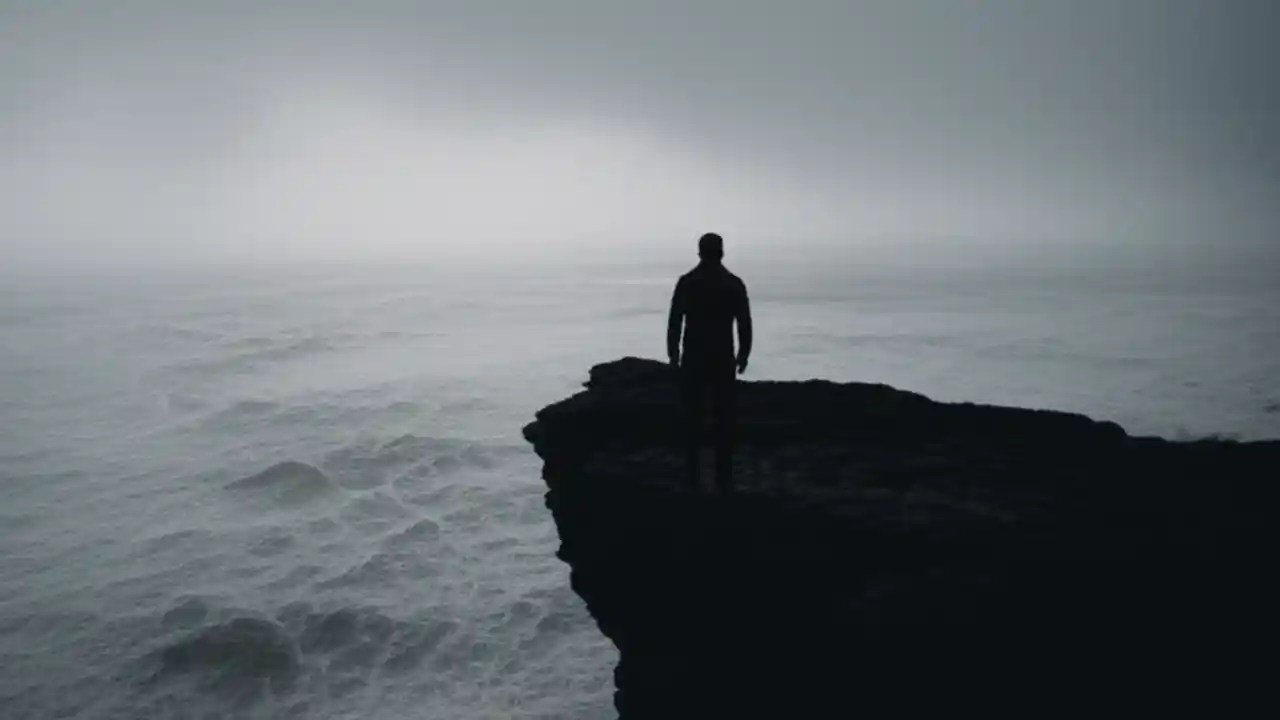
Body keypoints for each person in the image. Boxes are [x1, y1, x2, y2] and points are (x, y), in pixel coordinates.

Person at [667, 232, 752, 490]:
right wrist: (743, 353)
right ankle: (723, 475)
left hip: (694, 356)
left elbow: (675, 321)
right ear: (722, 252)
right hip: (722, 357)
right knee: (723, 414)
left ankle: (692, 473)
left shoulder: (687, 282)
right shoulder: (733, 283)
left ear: (700, 252)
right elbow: (744, 322)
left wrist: (673, 354)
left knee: (692, 414)